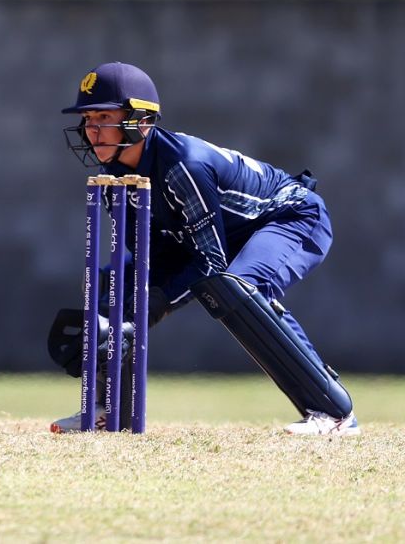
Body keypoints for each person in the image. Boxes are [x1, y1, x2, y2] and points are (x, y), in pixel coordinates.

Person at [47, 61, 357, 436]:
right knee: (114, 283)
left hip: (291, 217)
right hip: (224, 234)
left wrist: (150, 309)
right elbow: (152, 259)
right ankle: (108, 408)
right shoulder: (118, 178)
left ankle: (334, 413)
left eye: (104, 117)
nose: (92, 130)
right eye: (88, 118)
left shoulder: (182, 167)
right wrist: (127, 312)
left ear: (141, 121)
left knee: (240, 288)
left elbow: (210, 263)